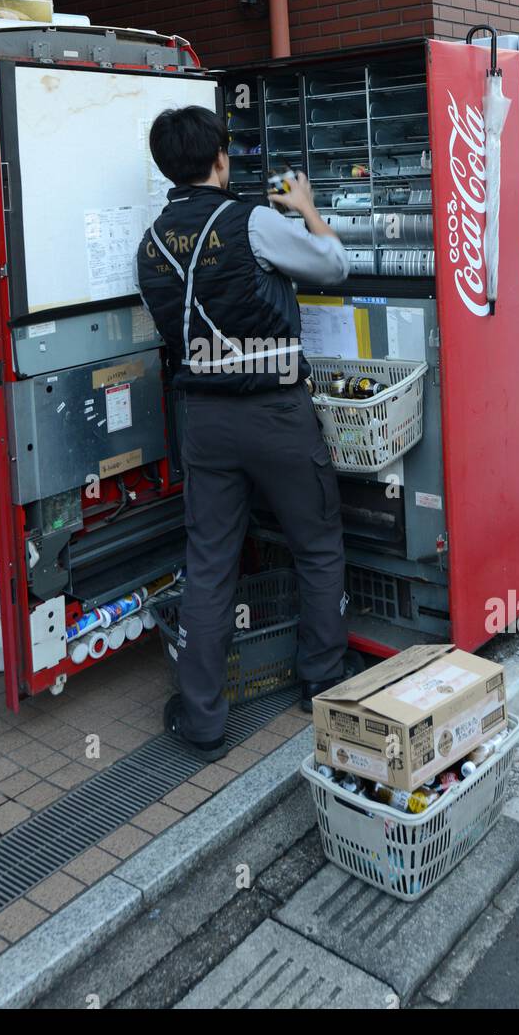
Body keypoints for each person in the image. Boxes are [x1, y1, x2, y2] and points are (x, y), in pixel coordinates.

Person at [136, 104, 350, 762]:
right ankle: (320, 682)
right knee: (315, 545)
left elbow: (166, 328)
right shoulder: (250, 220)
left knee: (208, 564)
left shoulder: (148, 242)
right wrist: (309, 209)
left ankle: (202, 722)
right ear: (220, 160)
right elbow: (332, 266)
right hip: (276, 412)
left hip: (203, 419)